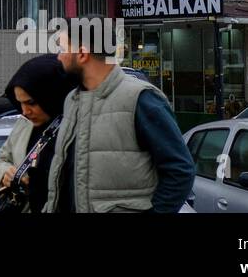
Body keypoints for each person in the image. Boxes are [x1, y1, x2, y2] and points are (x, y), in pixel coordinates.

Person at [45, 27, 195, 213]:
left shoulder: (141, 99)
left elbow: (180, 171)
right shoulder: (72, 100)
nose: (58, 58)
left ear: (82, 54)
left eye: (62, 50)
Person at [0, 55, 78, 213]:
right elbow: (3, 158)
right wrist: (6, 173)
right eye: (20, 103)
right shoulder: (24, 124)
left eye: (31, 102)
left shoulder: (76, 129)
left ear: (50, 97)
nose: (24, 111)